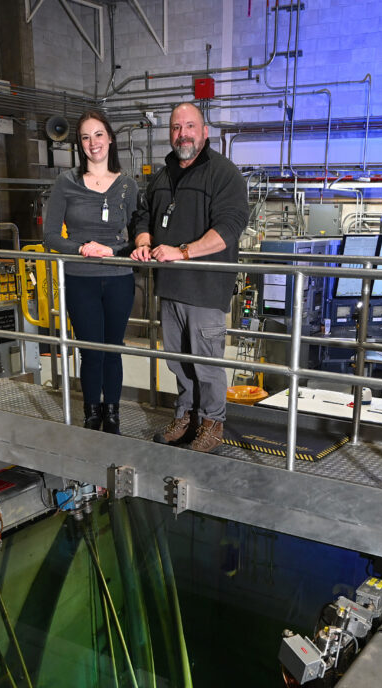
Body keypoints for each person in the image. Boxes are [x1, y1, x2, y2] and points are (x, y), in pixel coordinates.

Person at [131, 102, 249, 453]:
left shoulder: (223, 174)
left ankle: (212, 424)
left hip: (205, 288)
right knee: (178, 361)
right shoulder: (163, 175)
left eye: (189, 126)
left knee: (206, 364)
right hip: (170, 287)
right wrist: (143, 241)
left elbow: (229, 229)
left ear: (205, 132)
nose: (182, 134)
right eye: (176, 128)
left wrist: (182, 252)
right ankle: (187, 417)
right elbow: (143, 214)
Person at [42, 109, 139, 433]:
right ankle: (91, 413)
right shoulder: (66, 182)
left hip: (118, 278)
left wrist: (113, 250)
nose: (92, 142)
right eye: (85, 137)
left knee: (112, 350)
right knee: (91, 351)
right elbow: (50, 235)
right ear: (79, 144)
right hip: (80, 279)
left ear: (110, 138)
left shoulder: (127, 185)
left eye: (98, 134)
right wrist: (81, 248)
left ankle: (112, 415)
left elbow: (139, 235)